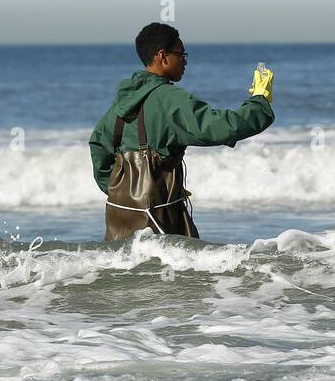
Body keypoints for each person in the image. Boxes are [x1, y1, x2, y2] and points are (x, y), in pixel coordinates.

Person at [88, 22, 275, 240]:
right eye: (181, 54)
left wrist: (120, 190)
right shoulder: (170, 100)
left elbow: (98, 146)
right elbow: (223, 127)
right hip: (160, 221)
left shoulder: (121, 103)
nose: (185, 61)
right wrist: (260, 101)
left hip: (119, 220)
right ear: (162, 56)